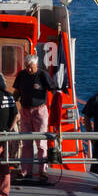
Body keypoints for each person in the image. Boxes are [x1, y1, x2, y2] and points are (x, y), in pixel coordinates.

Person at [13, 53, 57, 182]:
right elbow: (17, 91)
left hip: (39, 111)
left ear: (36, 64)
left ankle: (43, 170)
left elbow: (53, 89)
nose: (29, 69)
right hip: (25, 111)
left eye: (31, 67)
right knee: (26, 142)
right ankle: (25, 170)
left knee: (41, 142)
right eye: (27, 66)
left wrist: (55, 105)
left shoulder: (43, 75)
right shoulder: (21, 75)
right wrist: (11, 105)